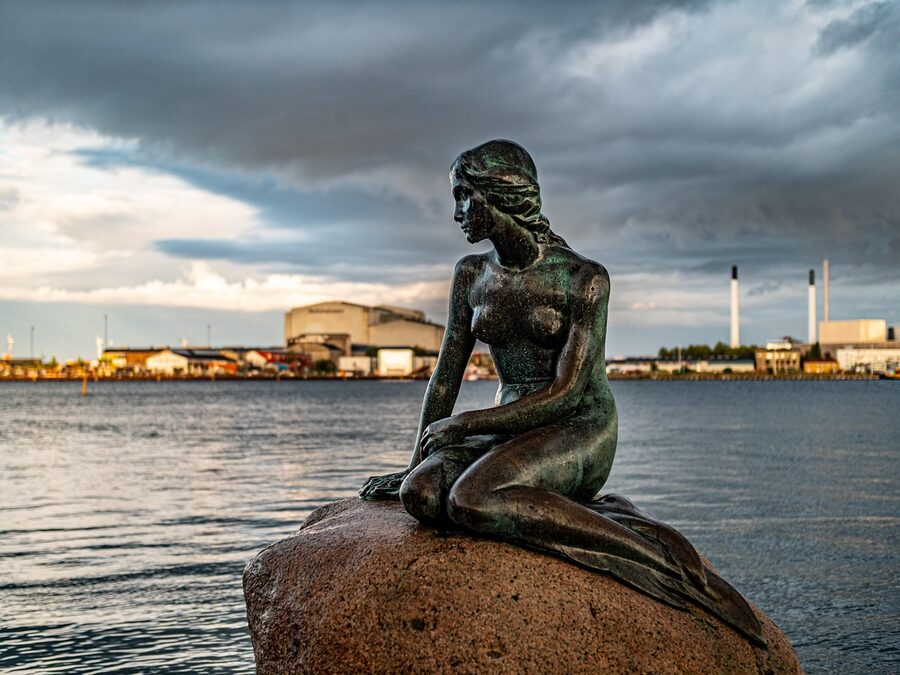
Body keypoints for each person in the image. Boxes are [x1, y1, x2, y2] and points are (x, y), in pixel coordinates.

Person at [360, 140, 764, 646]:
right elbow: (446, 375)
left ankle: (652, 556)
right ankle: (578, 508)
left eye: (465, 197)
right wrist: (412, 459)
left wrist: (465, 425)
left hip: (578, 427)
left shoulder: (582, 279)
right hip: (509, 424)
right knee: (418, 494)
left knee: (473, 499)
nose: (457, 213)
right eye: (455, 198)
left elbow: (567, 394)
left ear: (503, 193)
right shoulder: (471, 274)